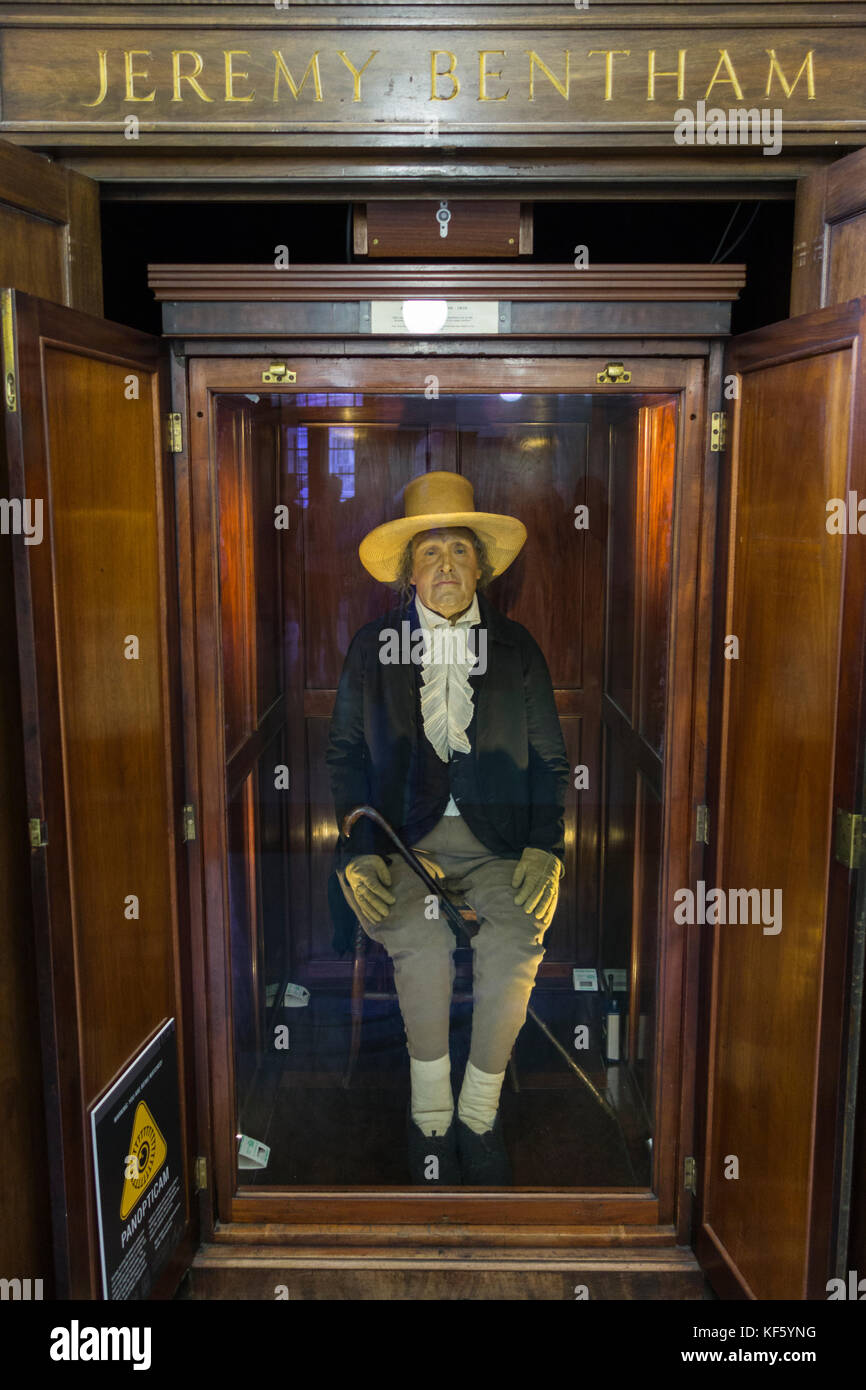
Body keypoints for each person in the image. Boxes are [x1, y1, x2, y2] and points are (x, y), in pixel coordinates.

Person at [326, 471, 568, 1184]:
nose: (447, 569)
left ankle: (478, 1115)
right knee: (421, 938)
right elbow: (343, 756)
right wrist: (360, 852)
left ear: (482, 567)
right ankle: (430, 1116)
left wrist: (545, 849)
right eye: (430, 554)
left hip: (499, 844)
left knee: (520, 935)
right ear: (407, 572)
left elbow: (552, 761)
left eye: (460, 553)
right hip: (405, 845)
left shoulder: (518, 647)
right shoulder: (373, 647)